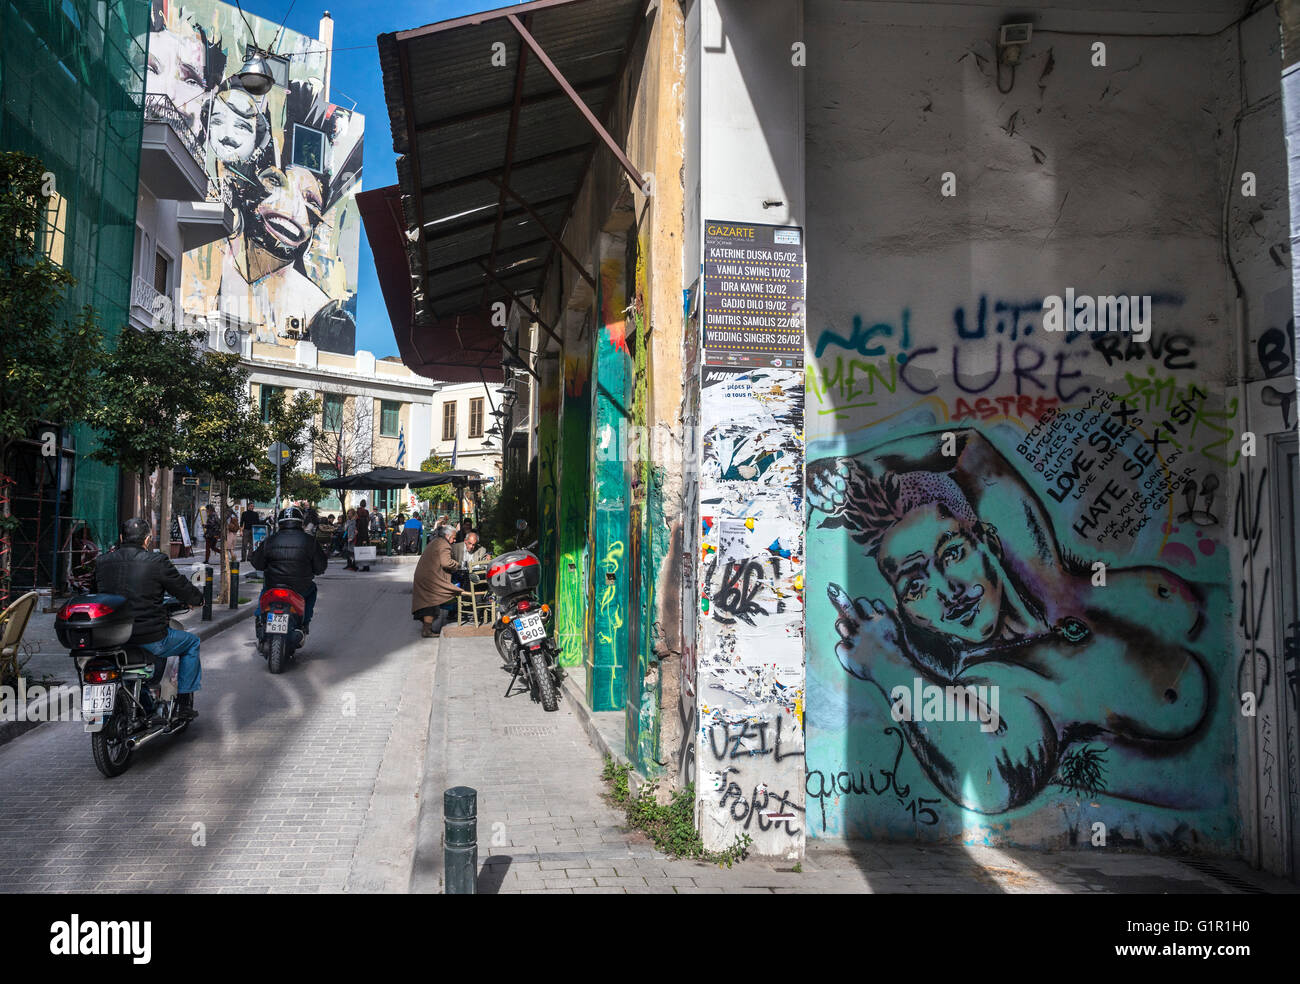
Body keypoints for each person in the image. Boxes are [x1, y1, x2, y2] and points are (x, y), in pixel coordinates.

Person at [807, 428, 1217, 814]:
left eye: (952, 555)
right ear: (908, 613)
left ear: (986, 541)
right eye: (916, 586)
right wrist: (887, 664)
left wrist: (856, 471)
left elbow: (966, 448)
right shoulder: (1000, 683)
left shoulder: (1043, 573)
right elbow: (987, 782)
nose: (948, 590)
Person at [91, 518, 205, 722]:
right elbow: (181, 587)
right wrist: (197, 599)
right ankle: (183, 702)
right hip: (150, 636)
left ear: (120, 538)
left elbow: (95, 593)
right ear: (147, 539)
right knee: (191, 643)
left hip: (110, 638)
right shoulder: (157, 562)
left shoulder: (102, 562)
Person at [249, 506, 327, 642]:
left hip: (274, 585)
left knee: (265, 588)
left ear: (280, 522)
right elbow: (320, 567)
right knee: (312, 589)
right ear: (300, 522)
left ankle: (259, 618)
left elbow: (257, 563)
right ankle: (304, 622)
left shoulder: (270, 540)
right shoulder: (310, 541)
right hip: (300, 588)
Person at [412, 525, 462, 638]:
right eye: (453, 538)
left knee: (428, 603)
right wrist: (457, 565)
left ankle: (427, 629)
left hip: (425, 577)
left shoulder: (437, 542)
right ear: (447, 536)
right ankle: (427, 631)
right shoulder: (444, 545)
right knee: (431, 603)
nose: (454, 541)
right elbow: (446, 562)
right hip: (429, 579)